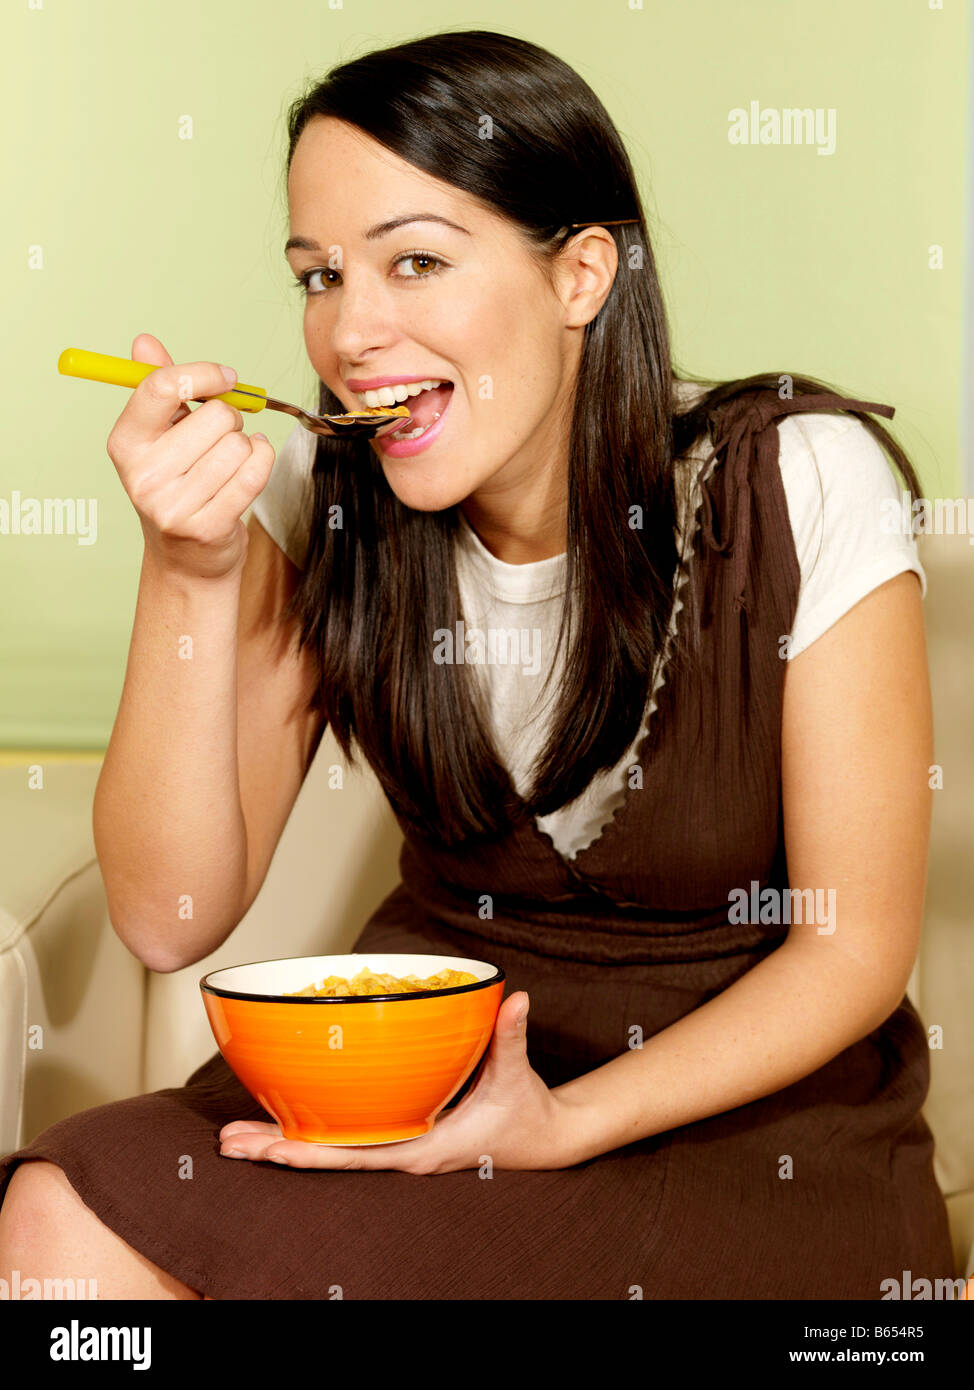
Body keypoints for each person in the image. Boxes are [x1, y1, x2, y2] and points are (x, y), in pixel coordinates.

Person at [0, 30, 956, 1300]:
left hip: (741, 1130)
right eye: (318, 276)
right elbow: (166, 916)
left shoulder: (796, 482)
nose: (349, 330)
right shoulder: (317, 499)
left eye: (415, 261)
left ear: (579, 275)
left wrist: (560, 1122)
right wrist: (185, 568)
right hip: (417, 1095)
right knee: (59, 1213)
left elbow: (852, 952)